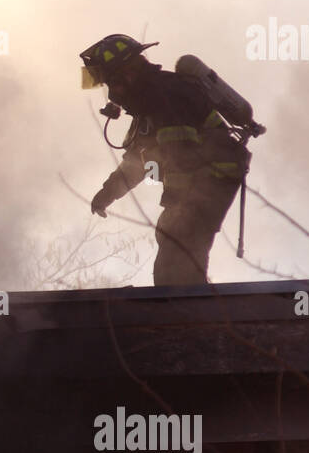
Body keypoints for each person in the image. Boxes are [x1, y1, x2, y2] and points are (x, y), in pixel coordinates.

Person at [80, 34, 255, 286]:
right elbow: (136, 164)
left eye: (112, 83)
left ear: (127, 74)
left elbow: (181, 154)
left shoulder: (166, 94)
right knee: (174, 243)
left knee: (180, 245)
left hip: (214, 173)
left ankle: (190, 314)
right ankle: (187, 309)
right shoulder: (148, 105)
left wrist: (176, 205)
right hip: (205, 176)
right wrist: (106, 195)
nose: (112, 92)